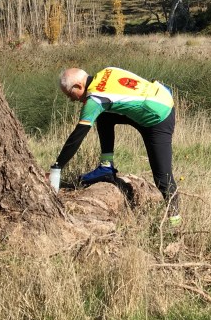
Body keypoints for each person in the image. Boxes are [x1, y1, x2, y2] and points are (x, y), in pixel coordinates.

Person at [51, 66, 180, 222]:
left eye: (70, 95)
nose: (72, 100)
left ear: (78, 86)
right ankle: (106, 166)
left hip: (159, 118)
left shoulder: (95, 100)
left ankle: (175, 223)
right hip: (158, 99)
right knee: (104, 116)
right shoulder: (107, 71)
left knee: (163, 178)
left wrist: (57, 167)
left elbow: (77, 137)